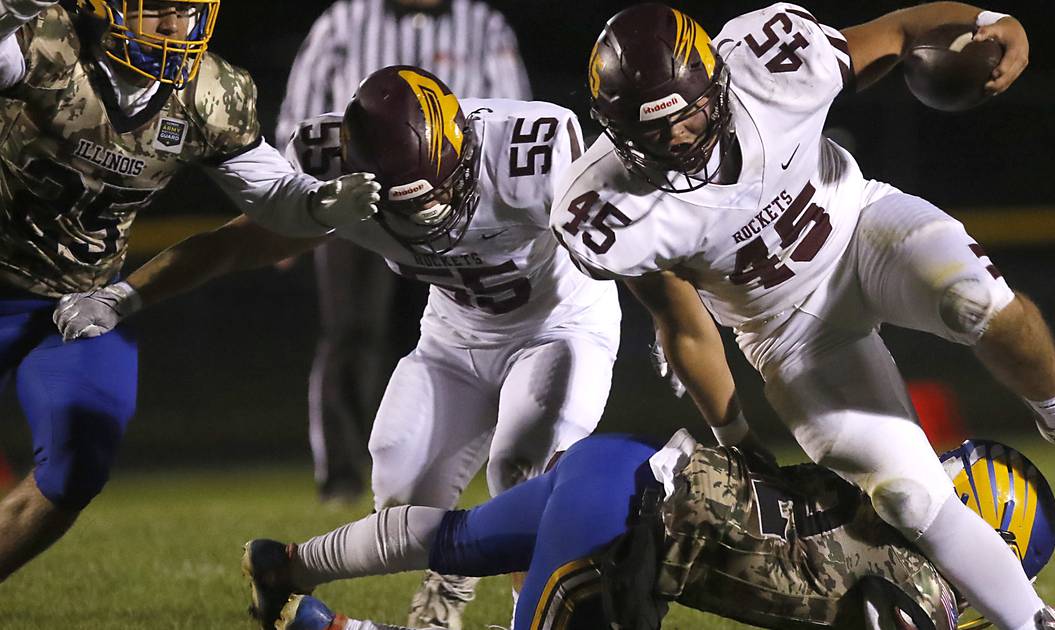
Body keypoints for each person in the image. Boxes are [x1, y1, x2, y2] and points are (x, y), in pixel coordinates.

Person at [549, 3, 1055, 629]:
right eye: (655, 132)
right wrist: (737, 440)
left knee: (975, 299)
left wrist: (990, 18)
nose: (679, 139)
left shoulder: (769, 64)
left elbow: (900, 33)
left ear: (719, 85)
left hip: (861, 231)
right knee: (908, 497)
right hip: (784, 330)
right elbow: (681, 323)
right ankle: (1034, 620)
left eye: (689, 115)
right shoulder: (604, 210)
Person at [52, 64, 621, 628]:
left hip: (561, 324)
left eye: (441, 191)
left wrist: (678, 318)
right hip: (455, 331)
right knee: (402, 495)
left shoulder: (534, 148)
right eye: (408, 205)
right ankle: (452, 570)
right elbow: (233, 246)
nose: (432, 216)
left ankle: (533, 620)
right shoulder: (334, 170)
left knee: (521, 467)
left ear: (466, 149)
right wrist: (123, 296)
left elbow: (634, 230)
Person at [0, 0, 377, 582]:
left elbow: (272, 195)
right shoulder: (45, 40)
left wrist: (314, 203)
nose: (176, 26)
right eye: (158, 11)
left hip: (78, 300)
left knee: (81, 458)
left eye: (188, 11)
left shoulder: (211, 94)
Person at [240, 431, 1055, 630]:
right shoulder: (925, 579)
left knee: (456, 539)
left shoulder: (877, 481)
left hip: (622, 461)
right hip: (629, 524)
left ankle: (289, 568)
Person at [276, 0, 532, 510]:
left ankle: (442, 463)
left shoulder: (481, 23)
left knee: (452, 336)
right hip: (358, 204)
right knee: (351, 333)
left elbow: (511, 112)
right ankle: (343, 477)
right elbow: (300, 115)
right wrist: (294, 207)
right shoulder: (346, 20)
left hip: (451, 207)